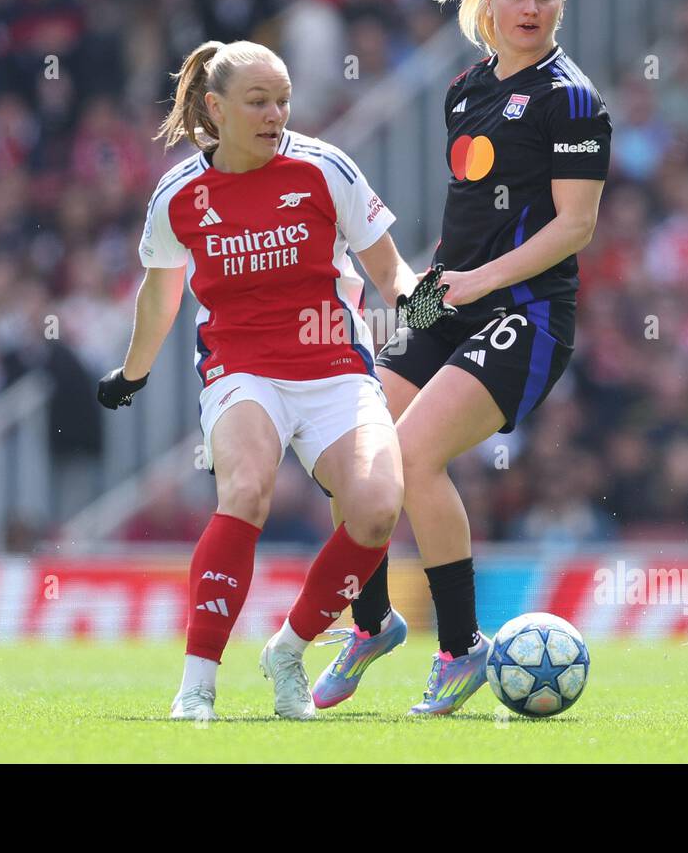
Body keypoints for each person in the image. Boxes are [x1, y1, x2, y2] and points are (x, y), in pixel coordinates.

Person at [313, 0, 612, 714]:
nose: (532, 9)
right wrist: (412, 301)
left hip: (530, 313)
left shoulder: (572, 100)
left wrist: (477, 281)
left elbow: (575, 226)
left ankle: (459, 648)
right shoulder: (465, 89)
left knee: (412, 457)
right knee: (354, 448)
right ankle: (372, 624)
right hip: (451, 299)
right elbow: (467, 223)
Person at [97, 39, 436, 721]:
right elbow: (160, 299)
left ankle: (288, 651)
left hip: (336, 368)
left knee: (375, 510)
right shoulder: (178, 195)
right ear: (215, 109)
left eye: (283, 100)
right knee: (246, 489)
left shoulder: (326, 170)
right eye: (258, 102)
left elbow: (393, 276)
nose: (276, 114)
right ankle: (197, 684)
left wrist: (429, 304)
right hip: (242, 369)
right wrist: (131, 374)